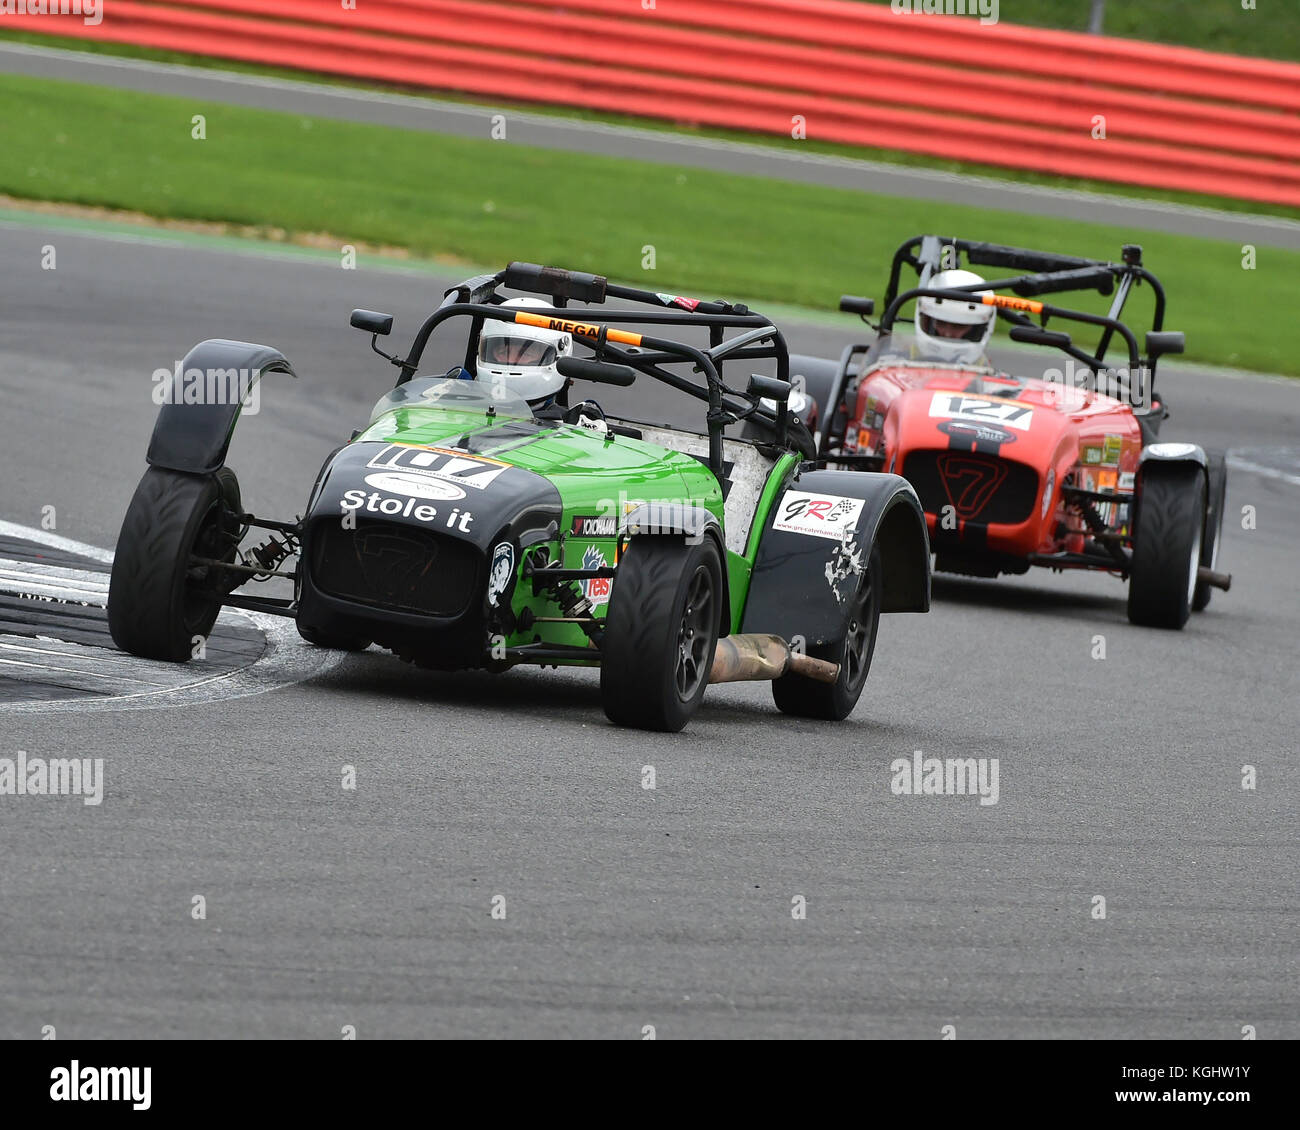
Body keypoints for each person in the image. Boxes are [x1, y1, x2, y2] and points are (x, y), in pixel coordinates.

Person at [914, 269, 996, 365]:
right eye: (940, 323)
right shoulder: (895, 362)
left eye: (959, 326)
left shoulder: (992, 378)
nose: (948, 334)